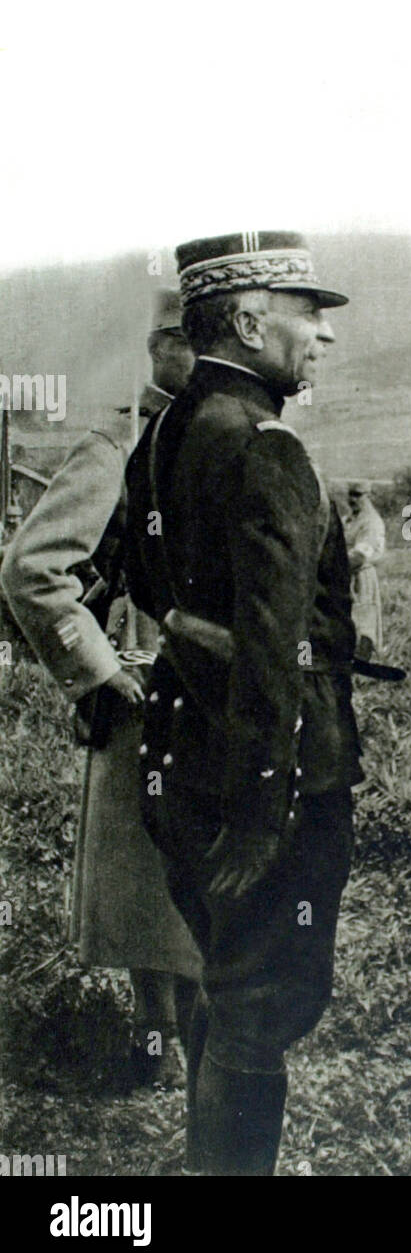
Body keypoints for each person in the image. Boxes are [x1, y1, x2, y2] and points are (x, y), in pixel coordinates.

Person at [123, 231, 362, 1176]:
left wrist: (191, 634)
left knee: (223, 994)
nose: (323, 339)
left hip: (179, 767)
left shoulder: (160, 438)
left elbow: (144, 587)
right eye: (309, 315)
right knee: (260, 1016)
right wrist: (264, 813)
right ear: (252, 320)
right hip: (270, 790)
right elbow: (276, 651)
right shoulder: (266, 449)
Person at [1, 290, 201, 1087]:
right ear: (160, 347)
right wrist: (98, 669)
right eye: (193, 340)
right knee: (146, 885)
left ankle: (197, 1056)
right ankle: (162, 1051)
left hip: (215, 694)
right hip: (141, 687)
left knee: (194, 877)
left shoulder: (229, 437)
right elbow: (30, 568)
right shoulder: (116, 441)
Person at [345, 479, 385, 657]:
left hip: (362, 576)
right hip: (346, 574)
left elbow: (360, 556)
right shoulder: (349, 520)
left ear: (369, 496)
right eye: (351, 495)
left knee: (363, 620)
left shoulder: (371, 522)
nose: (352, 499)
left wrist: (332, 566)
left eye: (358, 495)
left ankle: (363, 659)